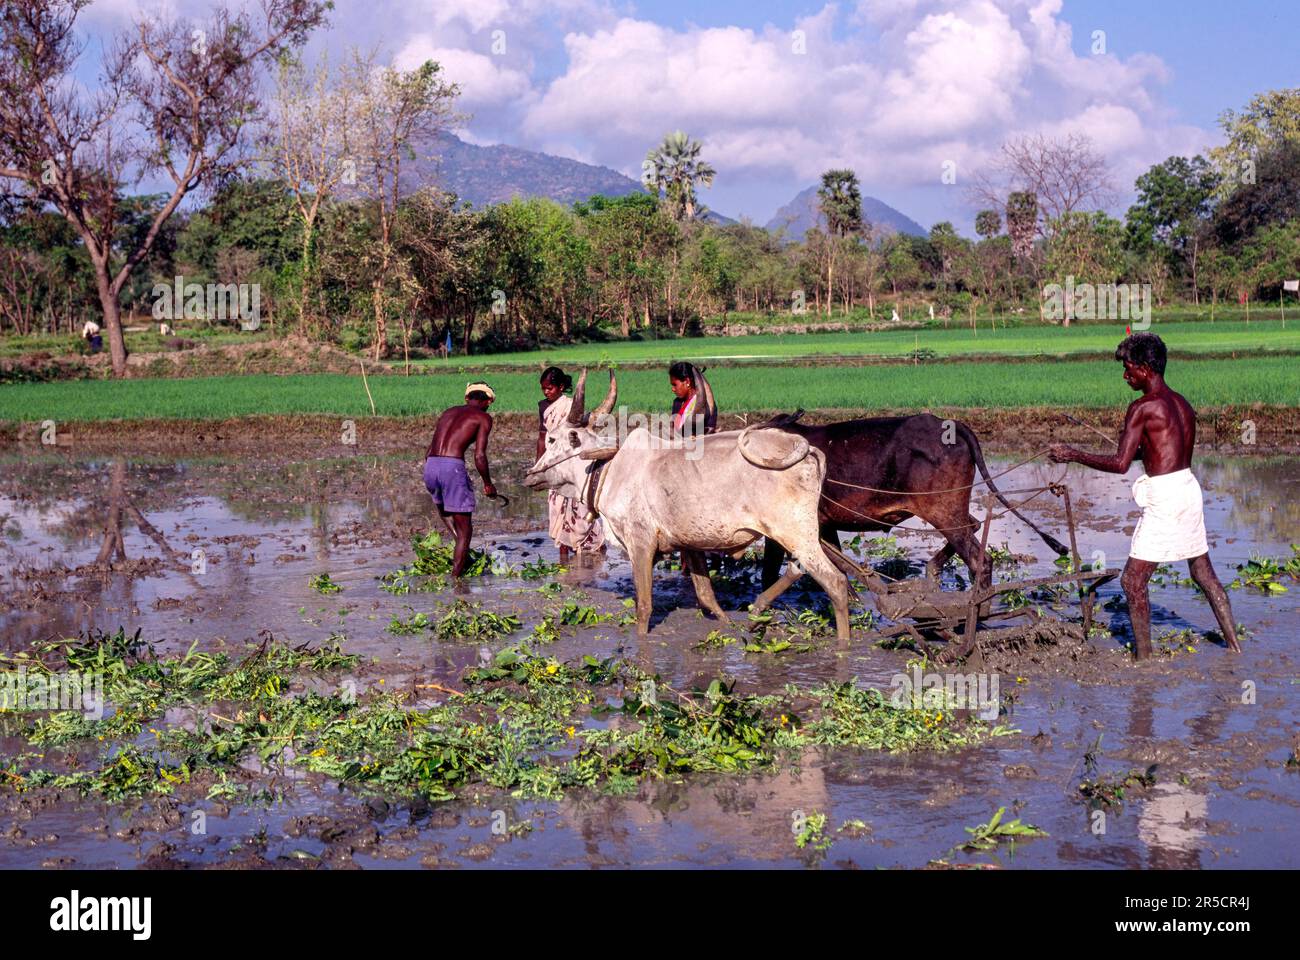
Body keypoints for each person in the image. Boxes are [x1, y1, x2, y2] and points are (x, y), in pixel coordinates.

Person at [1049, 333, 1239, 660]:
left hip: (1165, 497)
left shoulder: (1141, 407)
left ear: (1146, 368)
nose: (1125, 376)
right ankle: (1236, 647)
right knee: (1203, 573)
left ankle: (1144, 661)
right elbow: (1162, 452)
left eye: (1129, 368)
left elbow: (1121, 464)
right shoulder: (1182, 404)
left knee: (1132, 581)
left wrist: (1072, 454)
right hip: (1187, 488)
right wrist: (1138, 451)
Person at [424, 381, 498, 577]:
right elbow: (480, 456)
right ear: (489, 400)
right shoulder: (483, 417)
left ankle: (462, 551)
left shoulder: (448, 412)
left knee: (445, 512)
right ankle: (456, 581)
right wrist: (488, 484)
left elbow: (429, 450)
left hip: (431, 465)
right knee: (466, 531)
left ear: (467, 398)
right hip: (451, 468)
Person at [538, 366, 605, 561]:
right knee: (557, 507)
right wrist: (539, 463)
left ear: (560, 387)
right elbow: (542, 436)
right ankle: (563, 558)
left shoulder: (570, 406)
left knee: (578, 508)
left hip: (570, 461)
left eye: (550, 388)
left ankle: (590, 553)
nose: (546, 392)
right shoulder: (543, 406)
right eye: (543, 388)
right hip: (552, 462)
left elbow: (579, 434)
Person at [667, 361, 718, 436]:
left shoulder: (707, 405)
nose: (673, 389)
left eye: (675, 384)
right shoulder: (677, 403)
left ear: (687, 382)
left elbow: (708, 434)